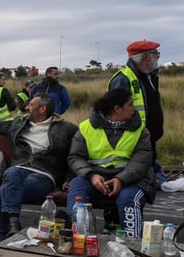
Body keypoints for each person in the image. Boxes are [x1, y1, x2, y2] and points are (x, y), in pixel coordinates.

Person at [0, 95, 78, 239]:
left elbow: (74, 155)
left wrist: (69, 178)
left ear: (42, 109)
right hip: (18, 171)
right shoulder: (18, 124)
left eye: (31, 105)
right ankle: (13, 225)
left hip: (44, 175)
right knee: (12, 174)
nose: (26, 108)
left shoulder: (66, 128)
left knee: (5, 189)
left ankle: (2, 238)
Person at [67, 88, 155, 238]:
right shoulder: (86, 128)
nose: (134, 109)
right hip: (96, 179)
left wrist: (121, 179)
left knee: (129, 200)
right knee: (77, 187)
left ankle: (134, 244)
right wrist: (91, 176)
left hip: (132, 181)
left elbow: (142, 161)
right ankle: (78, 236)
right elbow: (75, 157)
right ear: (117, 109)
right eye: (131, 105)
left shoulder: (140, 130)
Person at [109, 41, 164, 180]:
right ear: (145, 57)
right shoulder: (123, 79)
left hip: (148, 137)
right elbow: (115, 112)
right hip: (133, 136)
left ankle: (153, 174)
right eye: (155, 54)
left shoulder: (149, 76)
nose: (157, 57)